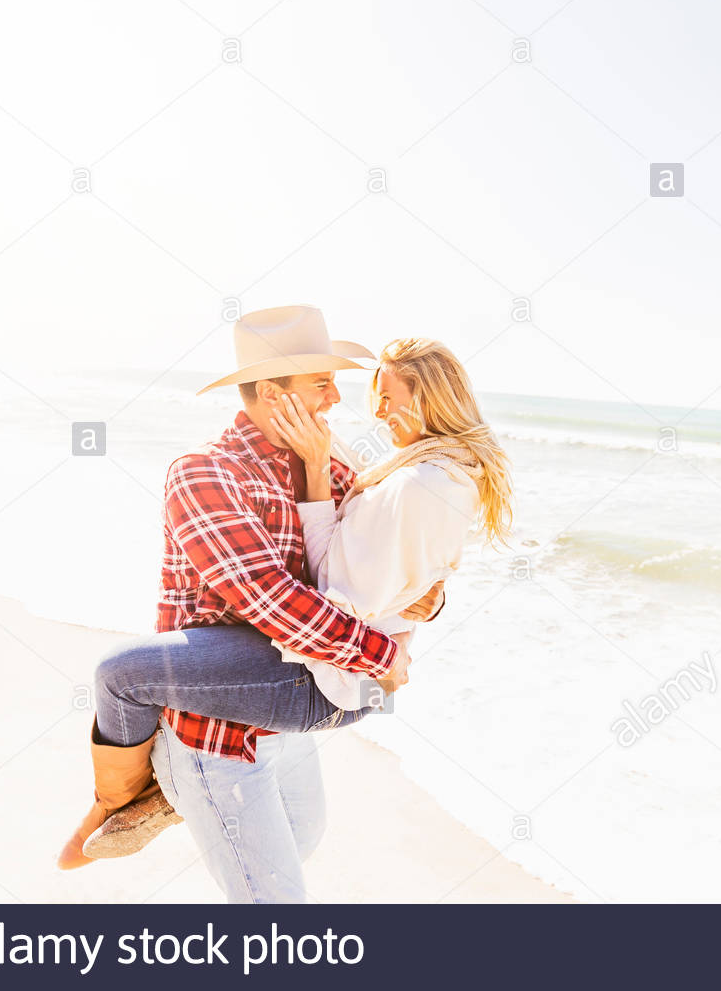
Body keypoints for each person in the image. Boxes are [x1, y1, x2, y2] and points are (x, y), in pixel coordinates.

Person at [56, 306, 513, 904]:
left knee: (301, 838)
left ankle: (176, 804)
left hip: (290, 700)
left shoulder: (330, 459)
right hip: (218, 729)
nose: (336, 397)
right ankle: (133, 794)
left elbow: (385, 555)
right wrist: (379, 653)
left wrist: (427, 601)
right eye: (321, 382)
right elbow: (271, 600)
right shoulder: (206, 473)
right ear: (273, 392)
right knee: (273, 903)